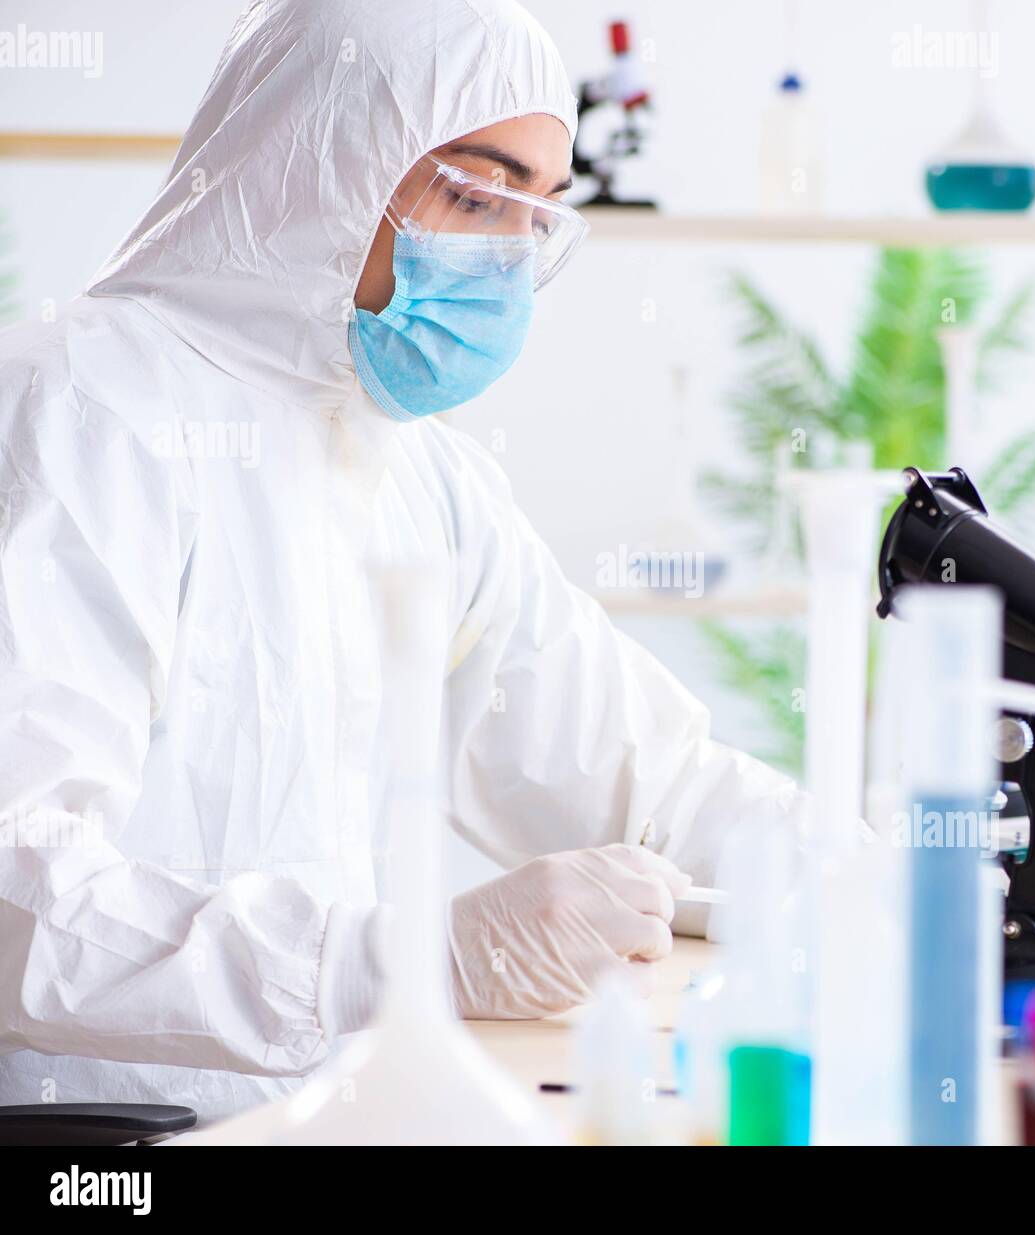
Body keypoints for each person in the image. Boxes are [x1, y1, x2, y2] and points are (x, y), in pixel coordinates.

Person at [0, 0, 807, 1120]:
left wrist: (889, 878)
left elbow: (639, 773)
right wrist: (401, 963)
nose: (504, 260)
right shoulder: (79, 403)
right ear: (316, 162)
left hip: (324, 1118)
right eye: (474, 194)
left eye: (536, 216)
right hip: (99, 1142)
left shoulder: (414, 472)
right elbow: (22, 894)